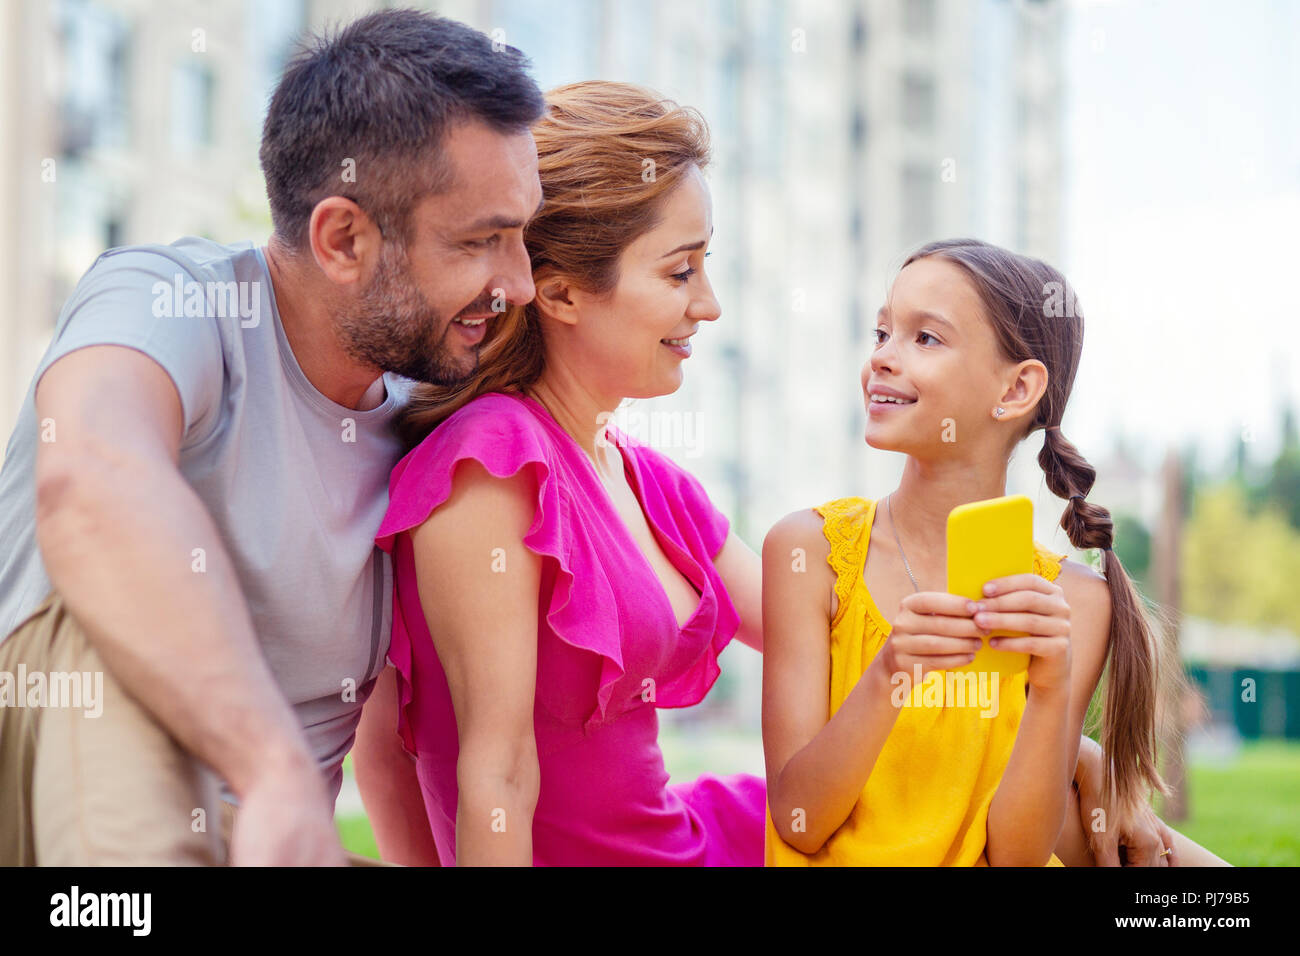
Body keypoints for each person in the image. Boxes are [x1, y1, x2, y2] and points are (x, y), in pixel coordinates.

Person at [0, 9, 545, 865]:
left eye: (522, 238)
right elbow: (90, 479)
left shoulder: (428, 432)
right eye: (481, 242)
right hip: (56, 810)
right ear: (343, 239)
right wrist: (274, 769)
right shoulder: (168, 300)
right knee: (95, 608)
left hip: (268, 850)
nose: (517, 283)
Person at [352, 81, 767, 866]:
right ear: (561, 292)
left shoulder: (647, 479)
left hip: (695, 840)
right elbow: (490, 776)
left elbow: (827, 628)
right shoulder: (493, 462)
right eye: (681, 273)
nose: (708, 306)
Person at [762, 238, 1228, 866]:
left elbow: (1016, 855)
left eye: (925, 338)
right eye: (881, 333)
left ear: (1015, 389)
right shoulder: (809, 552)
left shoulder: (1073, 603)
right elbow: (799, 822)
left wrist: (1052, 687)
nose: (882, 360)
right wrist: (889, 674)